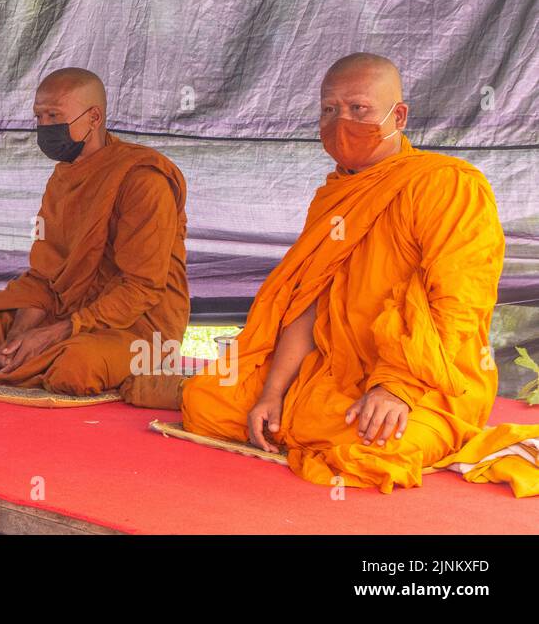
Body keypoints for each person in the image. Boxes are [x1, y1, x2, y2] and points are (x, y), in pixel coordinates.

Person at [176, 53, 538, 496]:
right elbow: (307, 304)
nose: (340, 121)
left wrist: (397, 390)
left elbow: (459, 305)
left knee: (374, 455)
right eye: (330, 110)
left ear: (398, 115)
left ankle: (351, 421)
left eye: (359, 109)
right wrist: (272, 392)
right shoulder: (334, 197)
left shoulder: (448, 186)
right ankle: (300, 415)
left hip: (424, 380)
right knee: (207, 404)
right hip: (333, 369)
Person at [0, 67, 188, 395]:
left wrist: (55, 332)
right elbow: (46, 275)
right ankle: (28, 364)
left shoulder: (143, 181)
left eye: (54, 115)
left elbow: (142, 288)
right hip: (63, 312)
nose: (45, 127)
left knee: (75, 369)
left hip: (136, 325)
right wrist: (19, 335)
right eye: (39, 117)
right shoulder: (63, 178)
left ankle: (45, 362)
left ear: (94, 117)